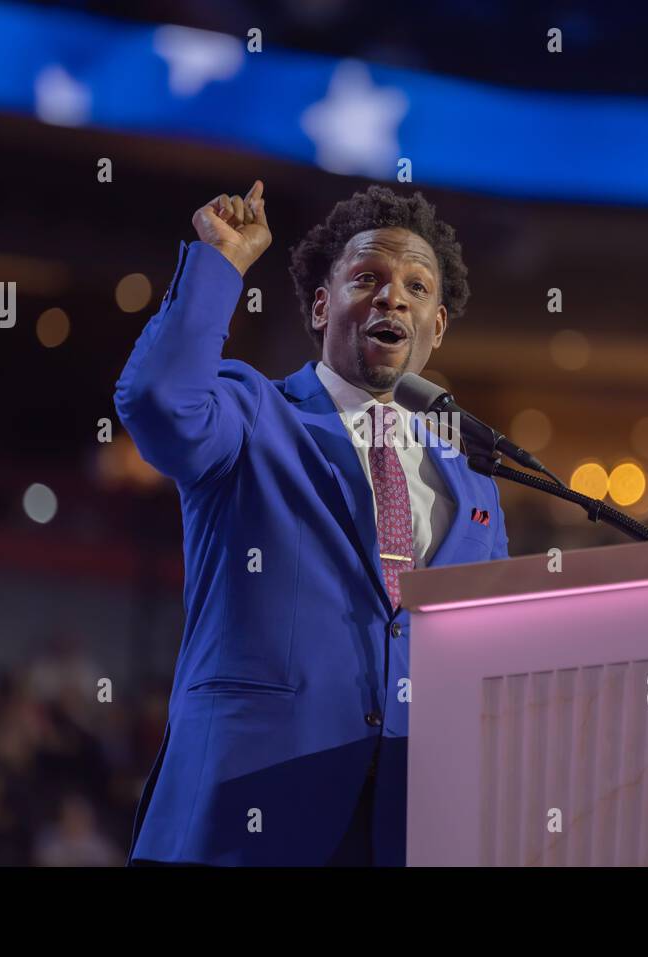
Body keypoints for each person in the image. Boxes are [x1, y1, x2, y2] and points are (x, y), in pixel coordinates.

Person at [115, 180, 508, 866]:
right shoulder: (251, 414)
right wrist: (222, 263)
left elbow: (486, 655)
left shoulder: (474, 480)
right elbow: (157, 401)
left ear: (436, 327)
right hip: (243, 816)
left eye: (417, 287)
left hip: (404, 828)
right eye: (368, 278)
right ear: (323, 306)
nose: (393, 297)